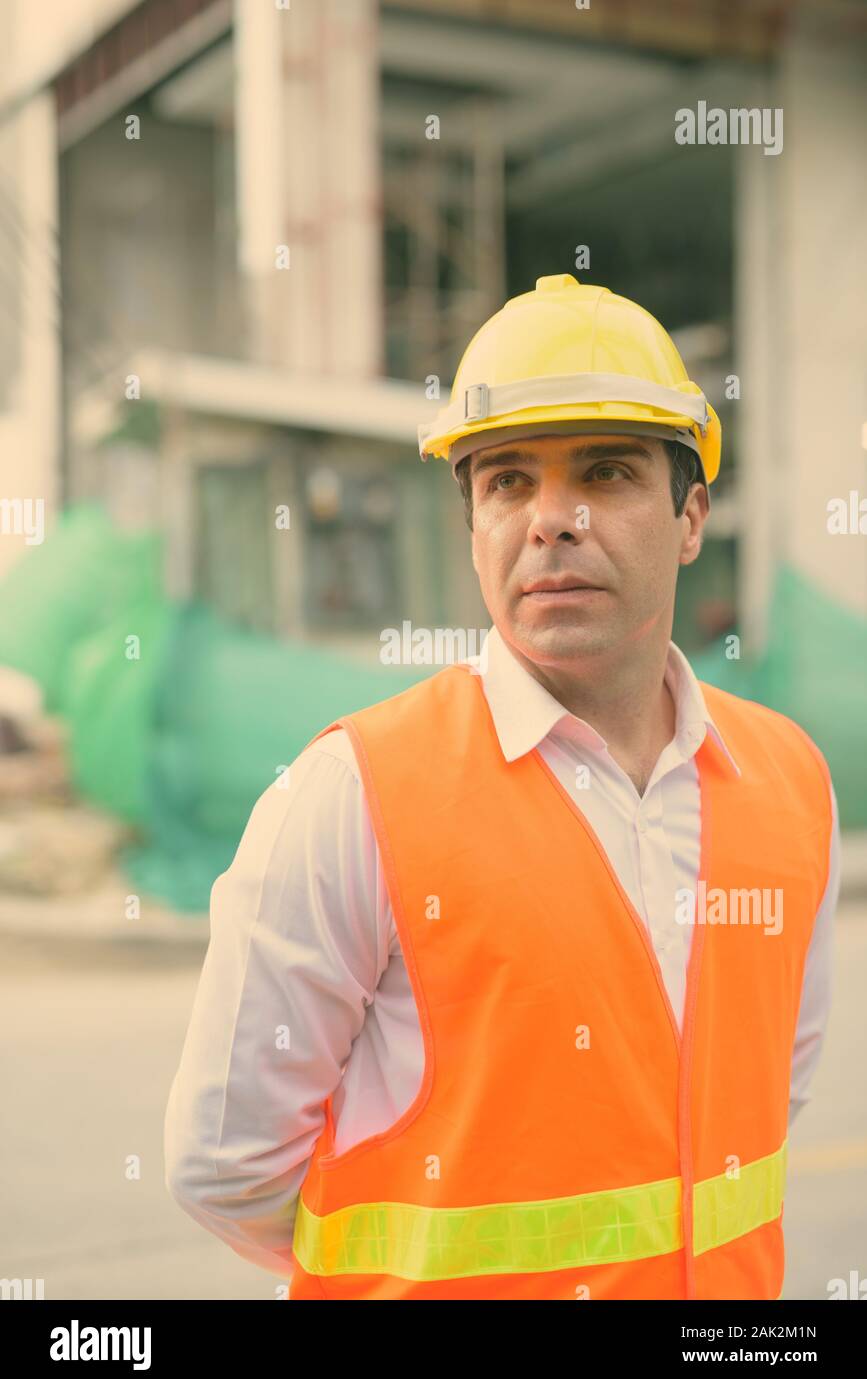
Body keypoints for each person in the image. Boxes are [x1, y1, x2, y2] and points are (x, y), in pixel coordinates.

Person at [165, 274, 838, 1300]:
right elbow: (226, 1165)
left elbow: (762, 1094)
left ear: (691, 514)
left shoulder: (787, 780)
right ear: (474, 523)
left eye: (605, 473)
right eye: (508, 481)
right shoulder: (354, 794)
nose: (550, 521)